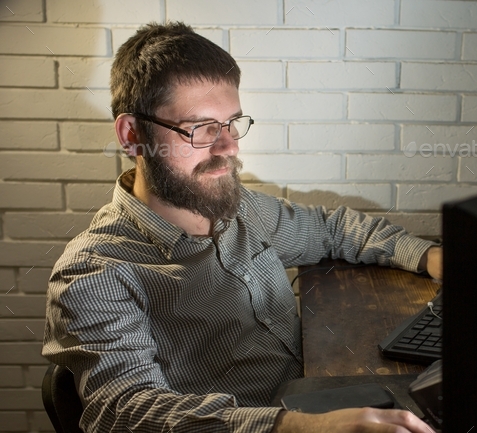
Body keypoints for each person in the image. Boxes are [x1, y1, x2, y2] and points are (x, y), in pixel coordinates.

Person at [42, 22, 441, 433]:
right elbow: (127, 412)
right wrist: (298, 427)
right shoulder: (94, 272)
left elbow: (331, 228)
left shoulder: (239, 208)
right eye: (201, 128)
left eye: (232, 122)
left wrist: (430, 256)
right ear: (132, 135)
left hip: (316, 395)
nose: (230, 146)